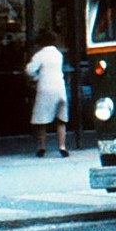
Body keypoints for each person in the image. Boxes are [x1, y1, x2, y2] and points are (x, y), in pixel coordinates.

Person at [26, 29, 69, 158]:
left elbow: (29, 70)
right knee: (61, 119)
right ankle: (62, 146)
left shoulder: (40, 55)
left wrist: (35, 78)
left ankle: (42, 147)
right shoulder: (58, 54)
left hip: (45, 87)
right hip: (59, 87)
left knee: (42, 120)